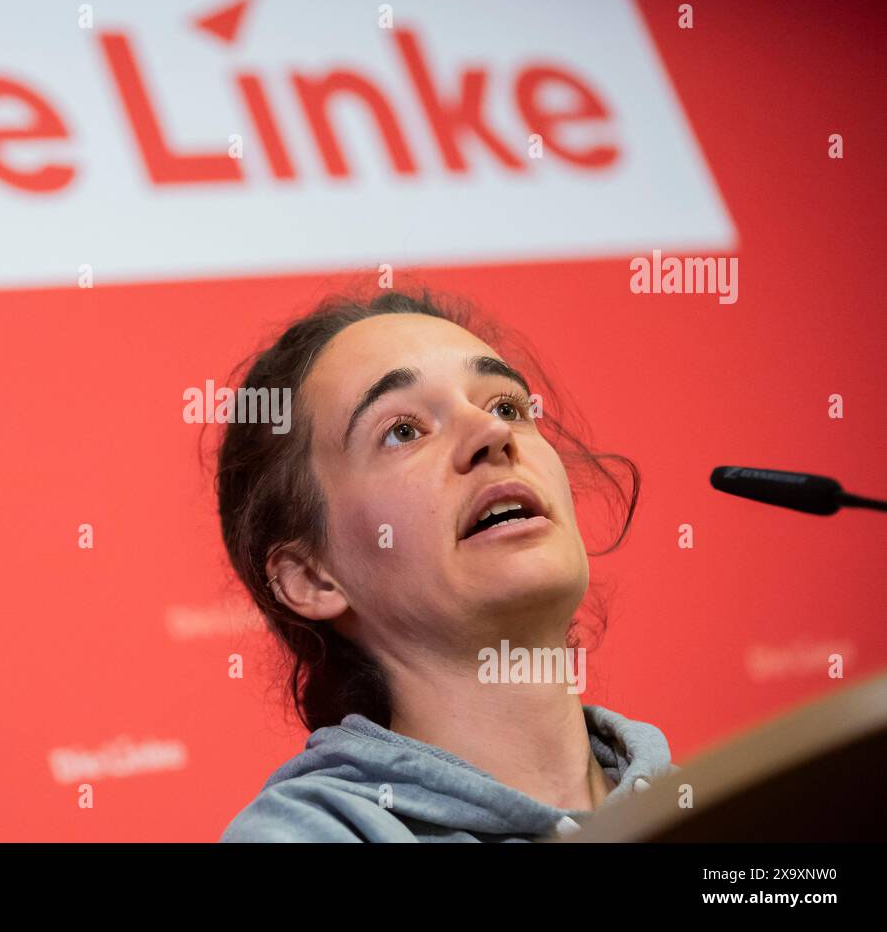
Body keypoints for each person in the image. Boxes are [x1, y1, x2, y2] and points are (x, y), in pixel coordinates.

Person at [214, 285, 676, 842]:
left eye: (506, 406)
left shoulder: (732, 811)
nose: (493, 433)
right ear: (312, 576)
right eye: (403, 431)